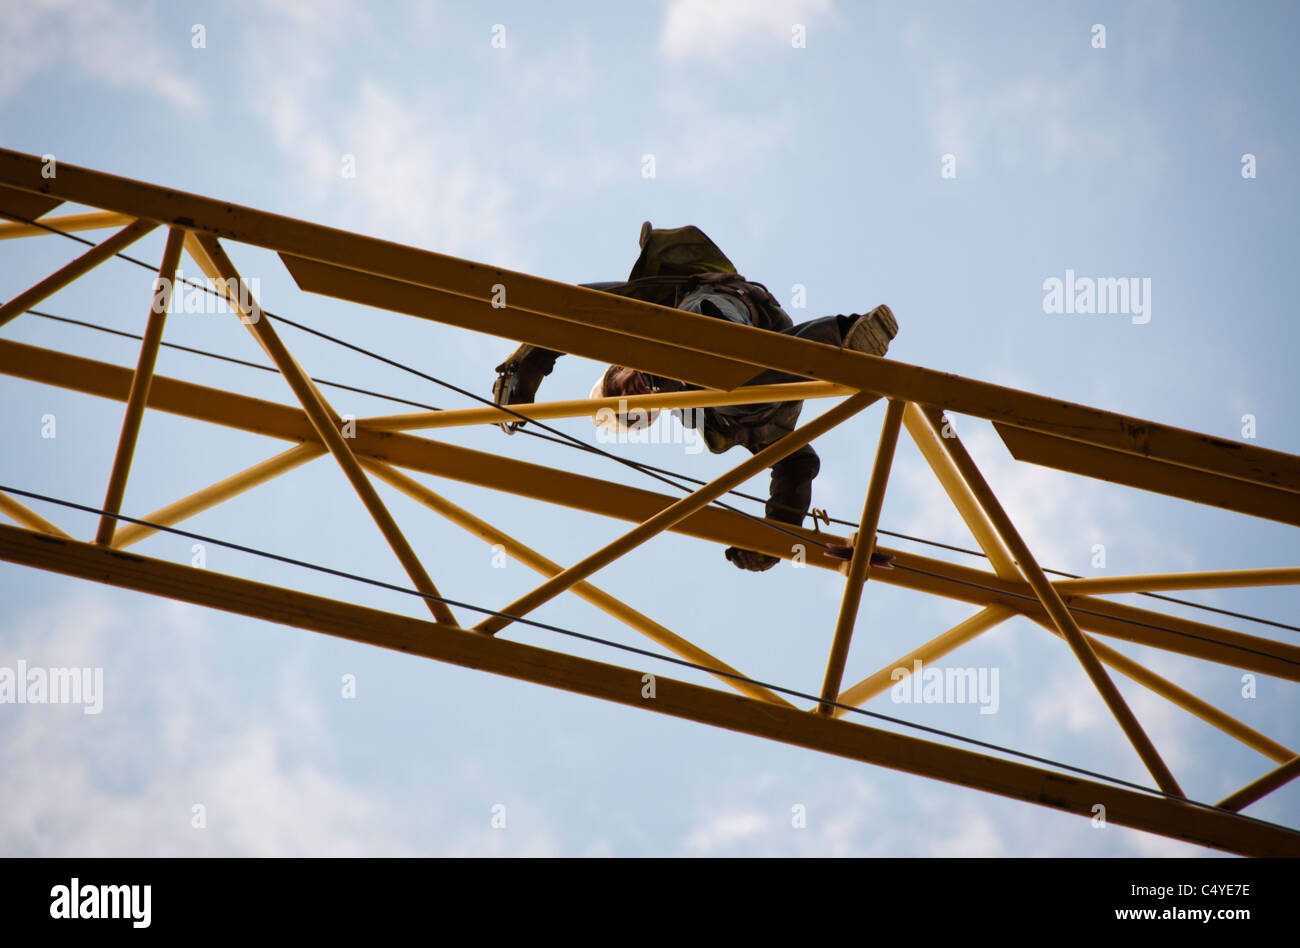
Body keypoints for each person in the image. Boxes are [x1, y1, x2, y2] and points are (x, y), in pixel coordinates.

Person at [492, 222, 898, 572]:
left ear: (617, 368)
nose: (629, 400)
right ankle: (844, 341)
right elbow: (798, 464)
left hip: (714, 316)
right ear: (650, 419)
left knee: (706, 367)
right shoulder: (707, 416)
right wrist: (777, 536)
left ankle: (832, 340)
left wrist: (526, 369)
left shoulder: (646, 316)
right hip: (759, 379)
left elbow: (579, 309)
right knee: (736, 395)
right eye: (632, 414)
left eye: (618, 391)